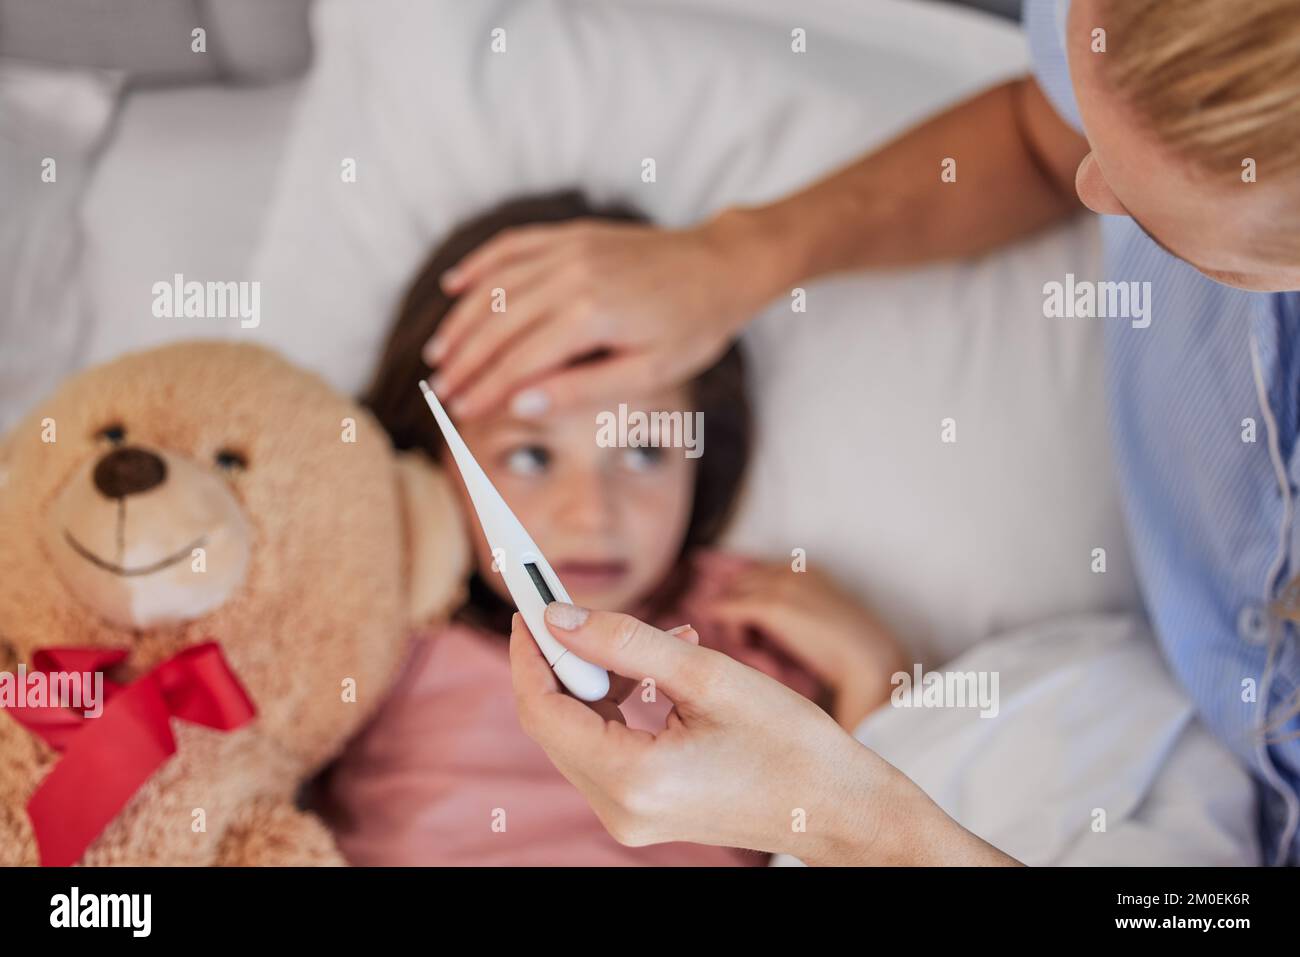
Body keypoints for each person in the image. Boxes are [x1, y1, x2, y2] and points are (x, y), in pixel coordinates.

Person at [424, 0, 1300, 864]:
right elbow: (1049, 139)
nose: (1093, 188)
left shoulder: (751, 632)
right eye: (531, 452)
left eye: (1163, 202)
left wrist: (846, 819)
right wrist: (743, 255)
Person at [318, 192, 909, 865]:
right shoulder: (374, 631)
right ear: (433, 460)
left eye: (642, 451)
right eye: (531, 454)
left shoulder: (752, 637)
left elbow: (861, 830)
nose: (593, 512)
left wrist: (875, 682)